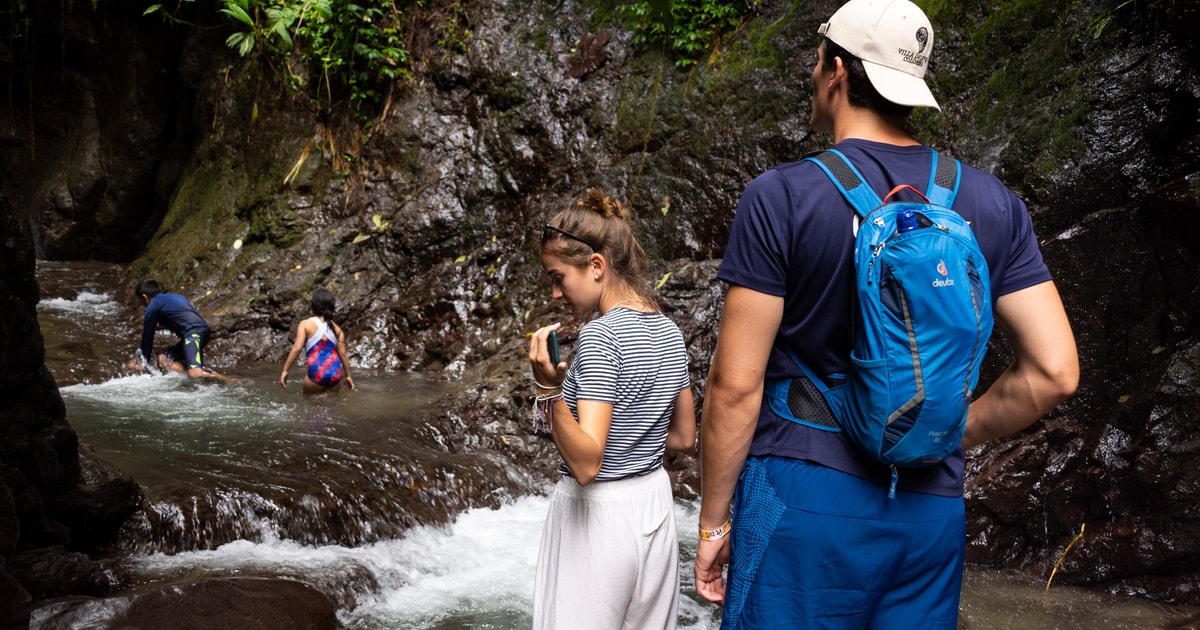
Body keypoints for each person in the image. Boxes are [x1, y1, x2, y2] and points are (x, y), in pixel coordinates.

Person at [693, 1, 1080, 628]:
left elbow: (735, 386)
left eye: (817, 62)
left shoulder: (782, 196)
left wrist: (713, 523)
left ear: (836, 70)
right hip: (929, 511)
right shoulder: (990, 201)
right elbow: (1055, 372)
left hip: (803, 496)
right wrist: (945, 432)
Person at [527, 189, 697, 630]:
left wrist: (549, 391)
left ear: (596, 266)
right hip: (654, 508)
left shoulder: (601, 338)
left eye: (559, 277)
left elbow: (586, 462)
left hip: (597, 517)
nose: (555, 292)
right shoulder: (669, 331)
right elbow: (682, 438)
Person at [131, 278, 230, 382]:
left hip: (193, 333)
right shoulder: (175, 296)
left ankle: (230, 381)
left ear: (145, 297)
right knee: (164, 359)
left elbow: (147, 337)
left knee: (195, 373)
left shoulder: (153, 306)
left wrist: (143, 361)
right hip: (200, 331)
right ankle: (189, 378)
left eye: (141, 301)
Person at [279, 288, 355, 394]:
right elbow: (343, 355)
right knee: (332, 407)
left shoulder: (305, 324)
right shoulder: (337, 329)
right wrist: (348, 376)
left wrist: (285, 370)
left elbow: (297, 348)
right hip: (335, 373)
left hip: (316, 373)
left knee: (309, 405)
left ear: (313, 306)